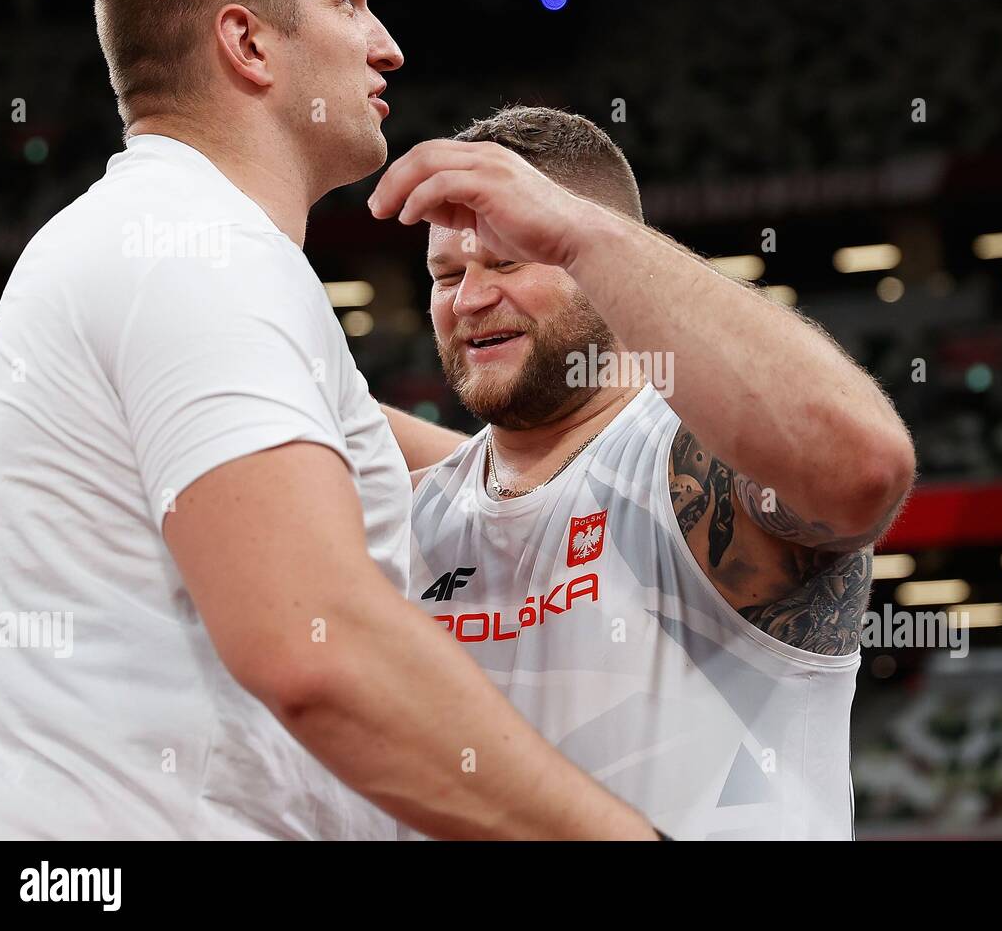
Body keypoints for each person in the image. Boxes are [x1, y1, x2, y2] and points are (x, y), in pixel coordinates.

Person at [0, 0, 656, 841]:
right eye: (351, 2)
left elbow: (469, 477)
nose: (390, 47)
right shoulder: (201, 253)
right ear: (248, 42)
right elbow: (317, 652)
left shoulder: (167, 244)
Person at [376, 106, 917, 839]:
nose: (469, 299)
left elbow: (863, 469)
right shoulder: (420, 502)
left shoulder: (683, 471)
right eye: (447, 274)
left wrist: (583, 232)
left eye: (507, 261)